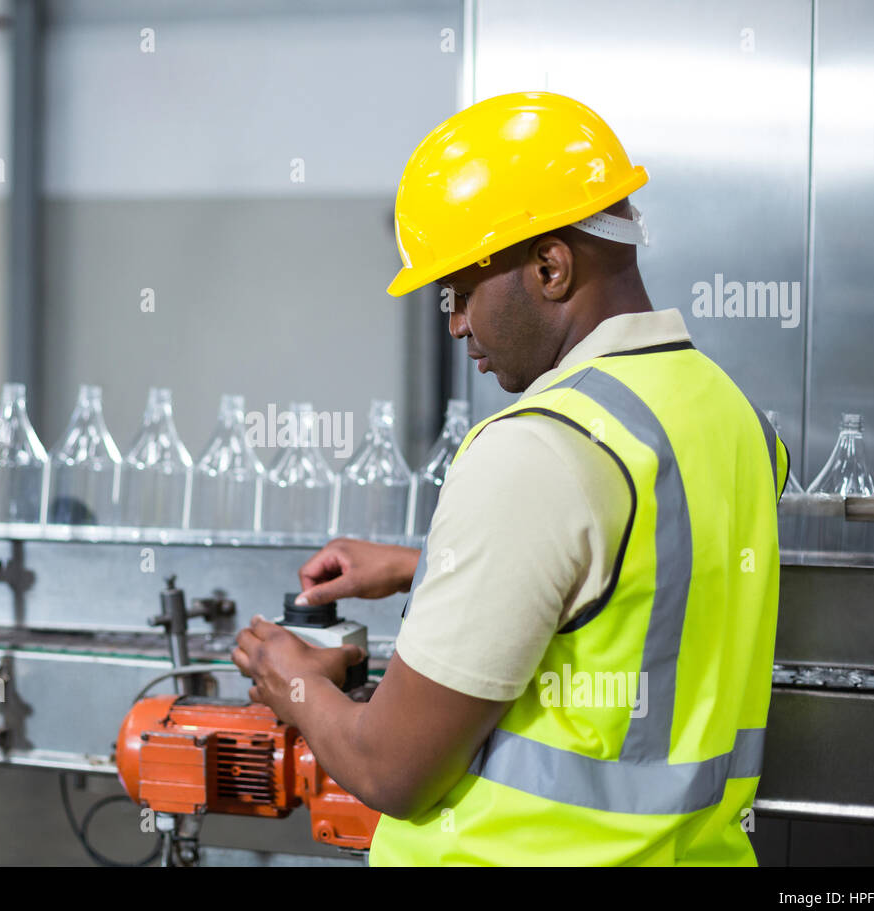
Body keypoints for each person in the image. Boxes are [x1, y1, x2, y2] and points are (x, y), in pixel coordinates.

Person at [233, 92, 789, 865]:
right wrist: (418, 568)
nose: (456, 323)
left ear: (550, 266)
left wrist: (290, 679)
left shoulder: (537, 449)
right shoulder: (735, 419)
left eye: (459, 292)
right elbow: (646, 584)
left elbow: (390, 769)